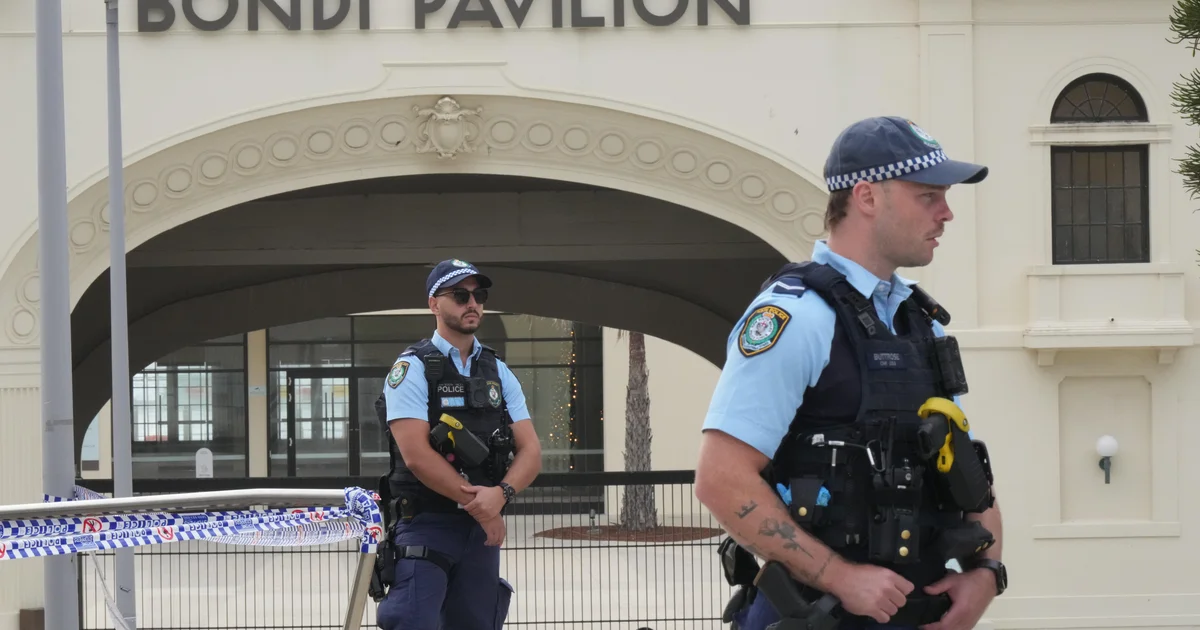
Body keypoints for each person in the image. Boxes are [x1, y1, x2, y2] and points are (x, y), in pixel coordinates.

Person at [694, 116, 1007, 630]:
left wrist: (986, 574)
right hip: (815, 614)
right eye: (929, 196)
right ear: (867, 197)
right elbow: (721, 479)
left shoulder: (917, 324)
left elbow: (967, 468)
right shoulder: (796, 318)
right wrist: (840, 576)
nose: (946, 213)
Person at [372, 258, 543, 630]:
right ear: (434, 304)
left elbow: (530, 450)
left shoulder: (499, 372)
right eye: (460, 295)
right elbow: (416, 456)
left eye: (479, 295)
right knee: (412, 622)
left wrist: (503, 493)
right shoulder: (412, 368)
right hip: (425, 522)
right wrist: (484, 507)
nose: (473, 303)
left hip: (479, 533)